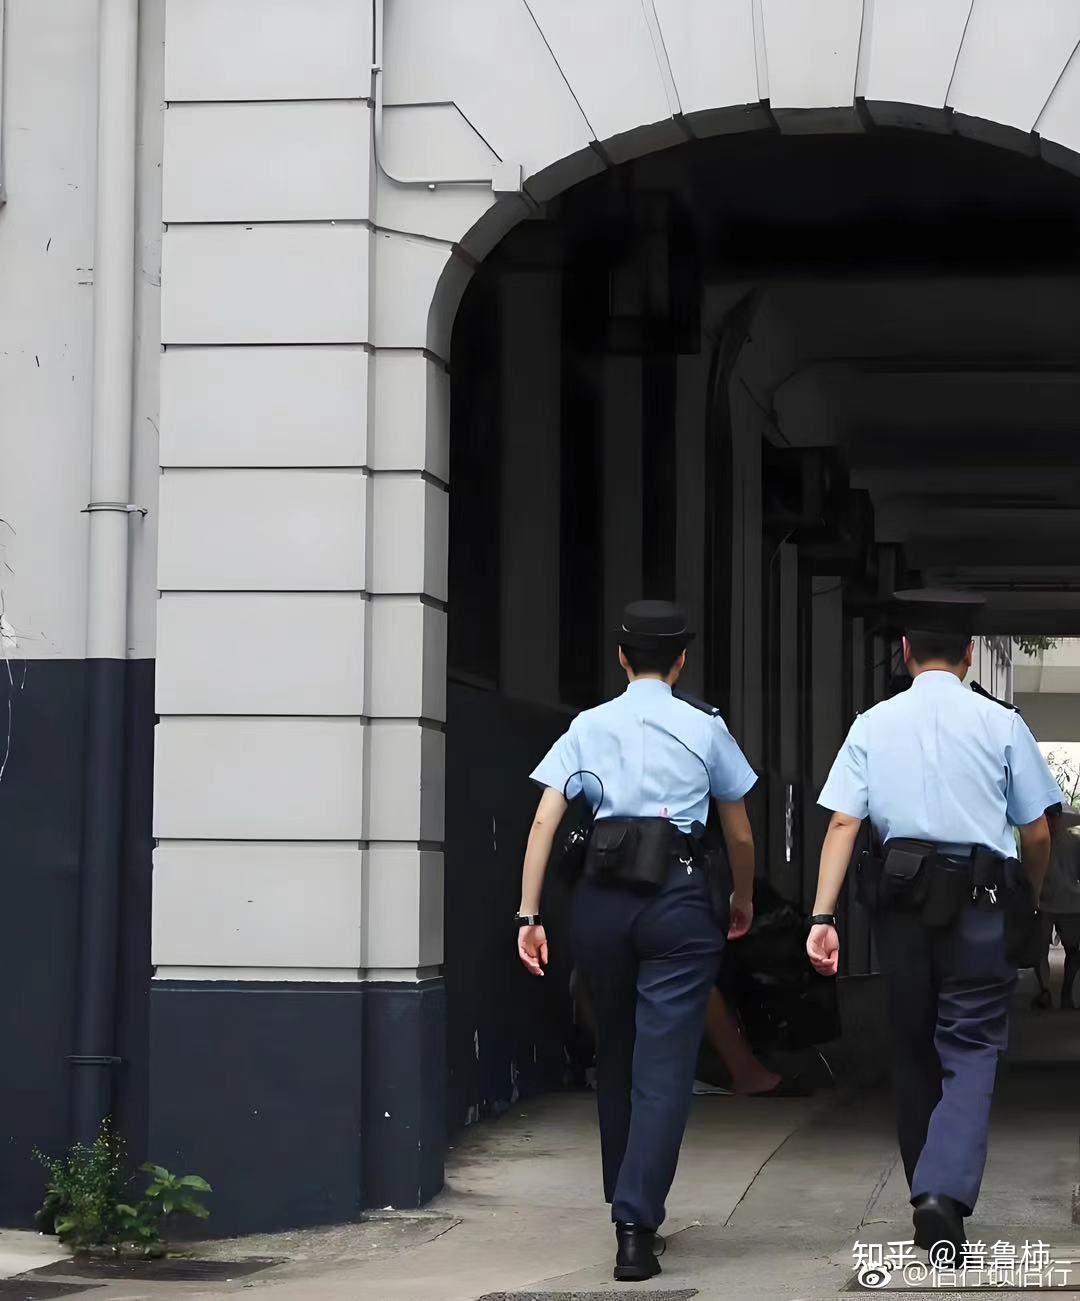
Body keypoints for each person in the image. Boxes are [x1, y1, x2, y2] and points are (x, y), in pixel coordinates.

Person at [806, 590, 1059, 1262]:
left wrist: (822, 913)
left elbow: (842, 822)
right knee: (971, 1046)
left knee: (913, 1044)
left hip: (902, 911)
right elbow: (1036, 830)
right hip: (981, 905)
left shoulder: (871, 724)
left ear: (905, 651)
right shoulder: (1003, 725)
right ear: (971, 654)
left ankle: (928, 1189)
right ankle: (941, 1194)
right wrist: (1030, 892)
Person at [515, 600, 757, 1282]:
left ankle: (625, 1205)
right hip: (679, 898)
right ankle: (636, 1220)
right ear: (680, 661)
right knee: (665, 1064)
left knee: (615, 1052)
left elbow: (544, 822)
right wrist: (741, 896)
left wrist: (529, 915)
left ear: (621, 658)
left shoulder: (588, 727)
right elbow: (738, 831)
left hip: (600, 900)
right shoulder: (705, 728)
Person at [1033, 805, 1080, 1010]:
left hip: (1070, 901)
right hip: (1044, 901)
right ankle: (1045, 991)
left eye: (1052, 818)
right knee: (1039, 949)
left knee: (1073, 950)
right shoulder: (1035, 830)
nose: (1049, 823)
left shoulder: (1072, 831)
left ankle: (1066, 993)